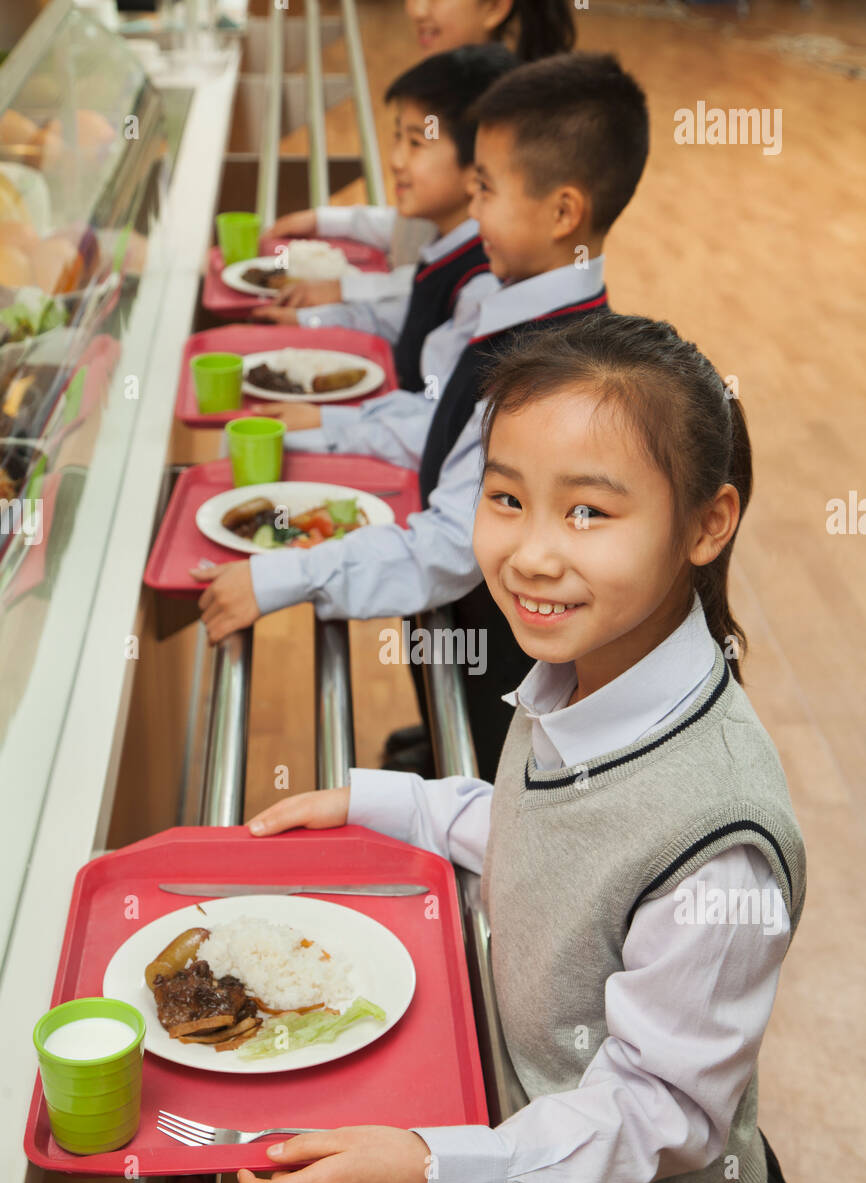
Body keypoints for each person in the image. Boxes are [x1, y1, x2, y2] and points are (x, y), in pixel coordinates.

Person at [236, 313, 809, 1183]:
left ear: (707, 522)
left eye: (587, 512)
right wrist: (378, 803)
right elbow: (540, 831)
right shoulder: (583, 670)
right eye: (505, 497)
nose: (531, 553)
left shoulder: (719, 835)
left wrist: (428, 1170)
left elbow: (654, 1114)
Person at [191, 54, 650, 786]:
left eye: (488, 193)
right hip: (479, 645)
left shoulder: (547, 373)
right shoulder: (524, 314)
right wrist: (317, 436)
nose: (473, 216)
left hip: (511, 676)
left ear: (564, 213)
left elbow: (445, 547)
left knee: (490, 791)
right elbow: (441, 418)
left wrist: (282, 578)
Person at [252, 44, 515, 445]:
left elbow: (441, 422)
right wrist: (312, 319)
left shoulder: (482, 280)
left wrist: (329, 423)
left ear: (478, 168)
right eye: (398, 139)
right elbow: (406, 319)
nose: (395, 160)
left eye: (416, 143)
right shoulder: (444, 243)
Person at [260, 0, 577, 314]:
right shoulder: (450, 100)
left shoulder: (502, 127)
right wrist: (326, 221)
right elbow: (420, 232)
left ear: (494, 7)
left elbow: (443, 274)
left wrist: (343, 292)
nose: (416, 10)